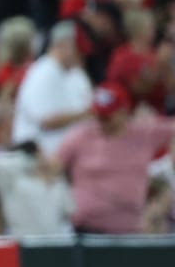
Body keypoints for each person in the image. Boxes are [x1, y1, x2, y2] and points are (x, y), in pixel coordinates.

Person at [58, 84, 175, 235]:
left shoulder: (143, 133)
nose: (101, 121)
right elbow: (54, 165)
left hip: (128, 229)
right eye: (98, 116)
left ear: (123, 112)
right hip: (86, 228)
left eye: (106, 117)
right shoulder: (82, 135)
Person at [13, 21, 94, 157]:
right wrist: (85, 114)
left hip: (68, 156)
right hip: (36, 157)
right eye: (78, 51)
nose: (81, 57)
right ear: (63, 45)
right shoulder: (43, 72)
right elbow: (46, 120)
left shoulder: (76, 74)